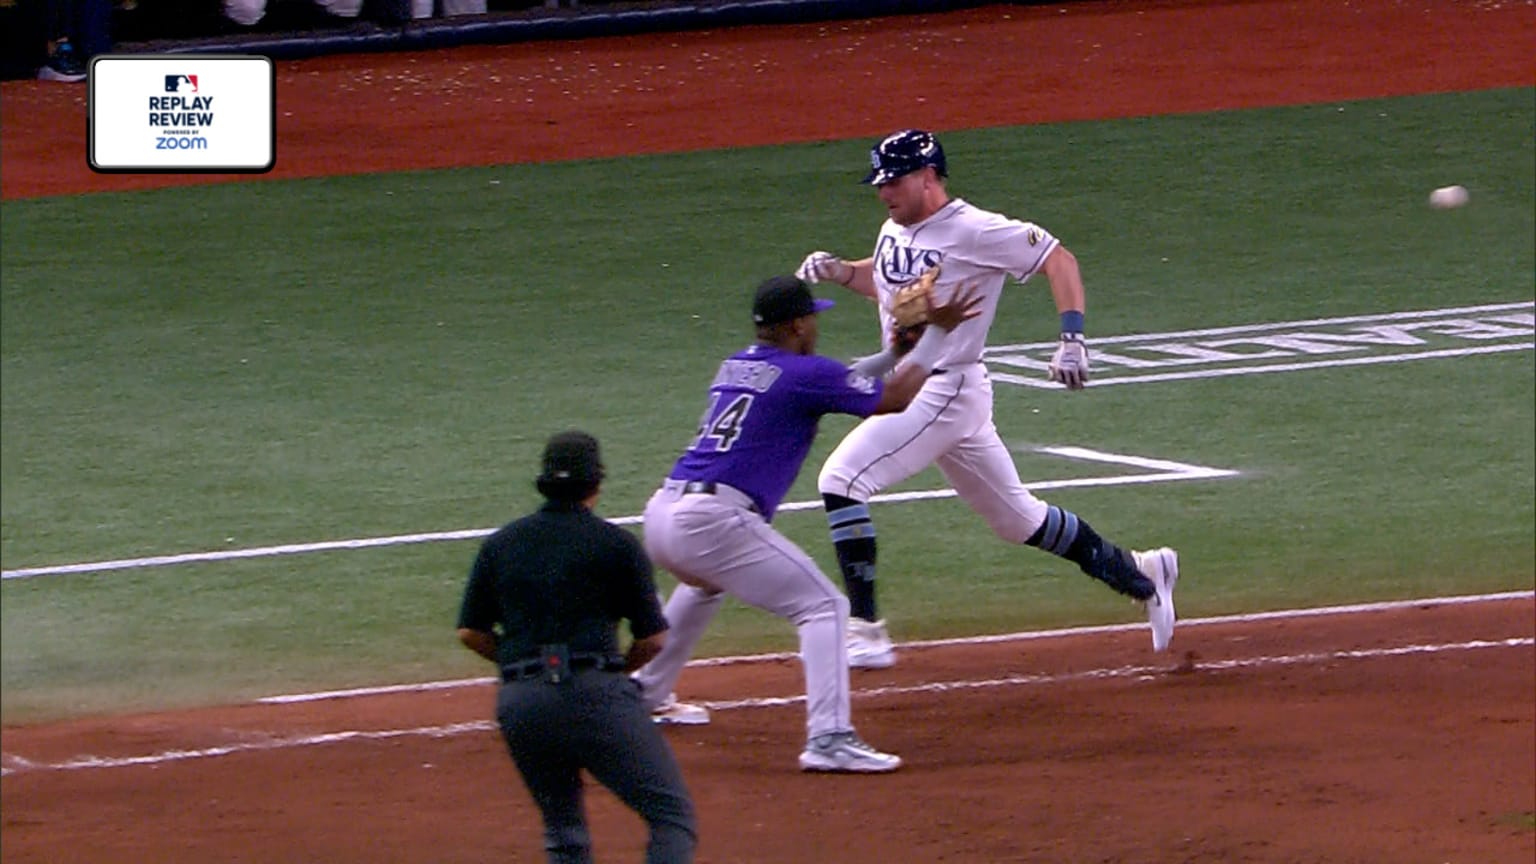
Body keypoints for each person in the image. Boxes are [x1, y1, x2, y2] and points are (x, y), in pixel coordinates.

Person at [795, 129, 1179, 670]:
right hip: (941, 389)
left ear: (928, 177)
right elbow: (887, 284)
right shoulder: (895, 227)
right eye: (879, 182)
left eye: (894, 180)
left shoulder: (976, 229)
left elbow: (1058, 258)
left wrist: (1072, 338)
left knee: (841, 480)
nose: (883, 192)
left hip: (942, 390)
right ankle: (1142, 572)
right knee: (1017, 520)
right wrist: (840, 271)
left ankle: (866, 629)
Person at [632, 274, 980, 772]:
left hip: (664, 514)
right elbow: (893, 399)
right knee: (823, 607)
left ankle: (645, 693)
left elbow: (836, 382)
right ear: (797, 325)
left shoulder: (737, 365)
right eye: (812, 316)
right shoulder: (804, 375)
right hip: (711, 520)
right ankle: (829, 737)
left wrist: (892, 354)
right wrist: (935, 335)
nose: (816, 324)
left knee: (705, 584)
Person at [456, 430, 696, 864]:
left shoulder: (502, 543)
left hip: (521, 702)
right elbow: (654, 638)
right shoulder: (615, 544)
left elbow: (470, 632)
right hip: (595, 692)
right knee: (670, 817)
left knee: (564, 834)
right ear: (596, 484)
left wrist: (517, 662)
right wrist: (614, 675)